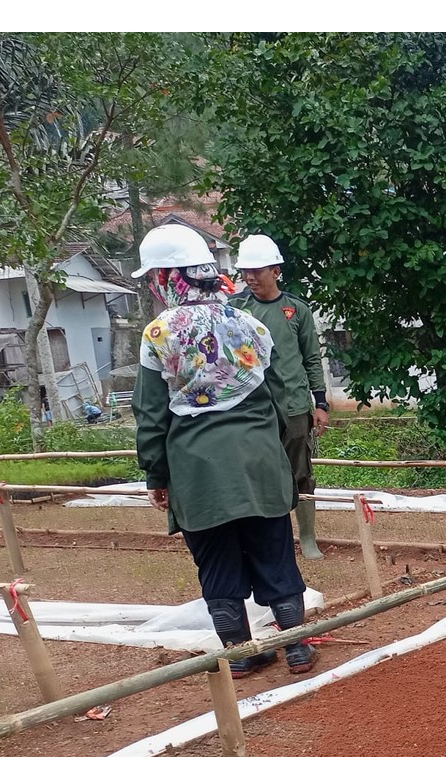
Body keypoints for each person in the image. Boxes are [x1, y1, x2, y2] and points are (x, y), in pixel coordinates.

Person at [130, 223, 317, 677]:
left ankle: (240, 654)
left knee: (216, 559)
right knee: (274, 551)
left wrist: (156, 475)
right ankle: (295, 649)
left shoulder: (158, 334)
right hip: (259, 462)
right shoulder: (248, 323)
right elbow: (276, 397)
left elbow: (151, 415)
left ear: (167, 277)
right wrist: (273, 455)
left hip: (198, 473)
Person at [229, 234, 330, 561]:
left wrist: (321, 403)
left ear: (276, 271)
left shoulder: (296, 310)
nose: (250, 277)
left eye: (257, 270)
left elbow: (311, 358)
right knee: (258, 475)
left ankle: (309, 538)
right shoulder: (237, 310)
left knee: (300, 472)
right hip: (253, 409)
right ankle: (269, 542)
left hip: (295, 406)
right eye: (245, 271)